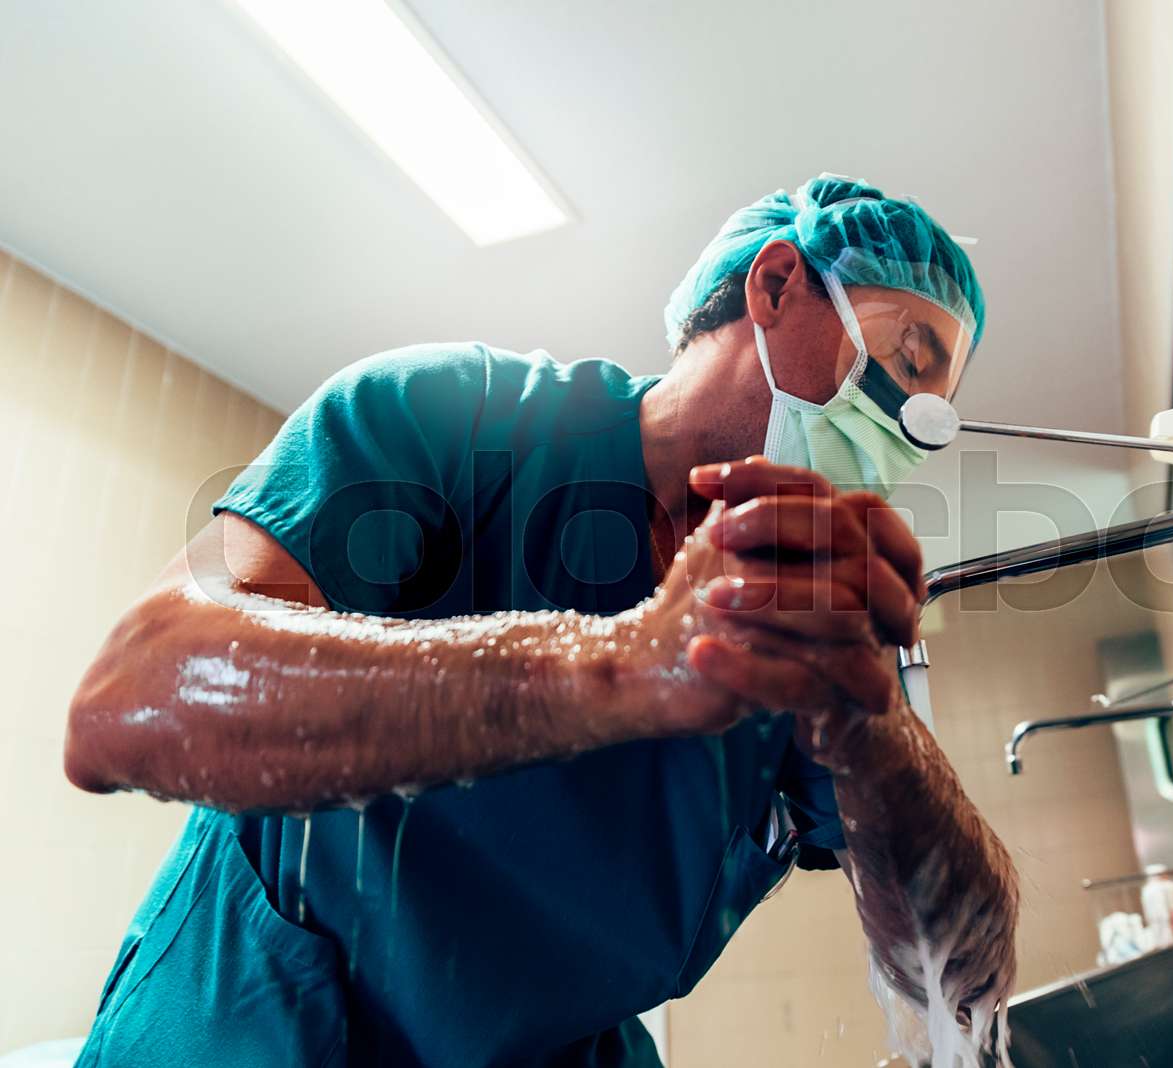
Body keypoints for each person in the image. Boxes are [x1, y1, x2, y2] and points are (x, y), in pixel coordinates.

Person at [64, 174, 1018, 1067]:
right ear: (774, 286)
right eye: (907, 362)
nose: (910, 430)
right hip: (264, 1025)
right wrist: (621, 666)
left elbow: (960, 981)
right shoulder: (447, 419)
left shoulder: (804, 620)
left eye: (937, 412)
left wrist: (876, 735)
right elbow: (129, 697)